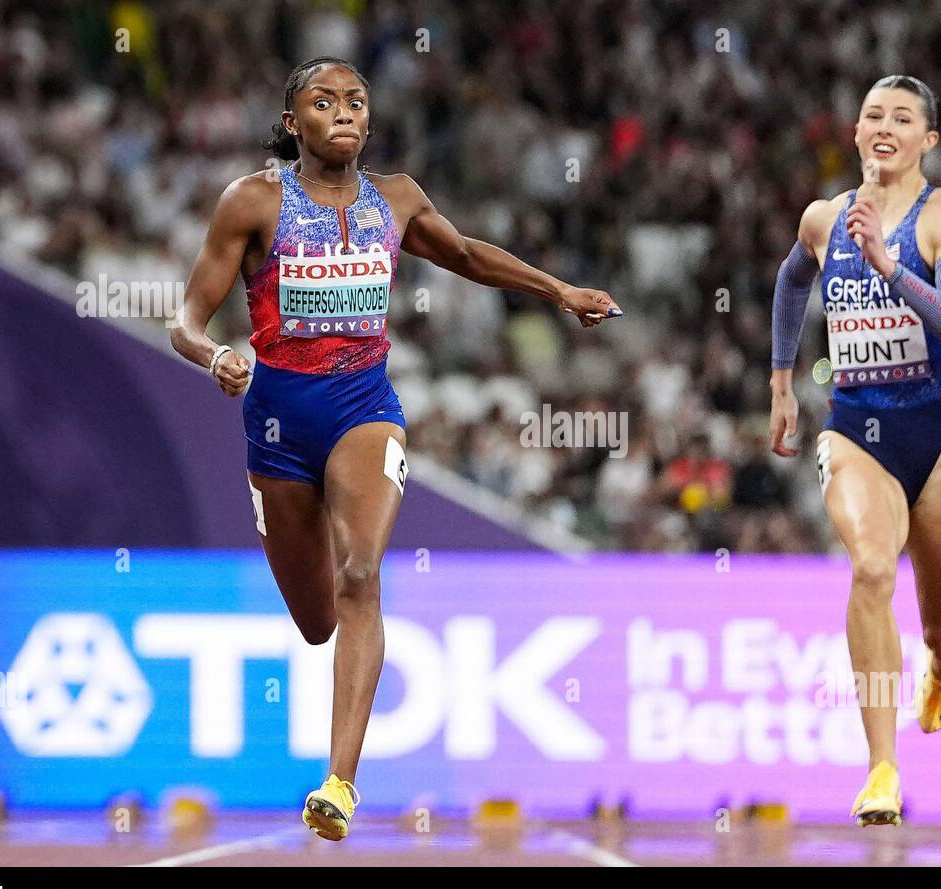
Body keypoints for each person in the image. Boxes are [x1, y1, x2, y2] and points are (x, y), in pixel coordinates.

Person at [170, 57, 621, 840]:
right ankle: (329, 688)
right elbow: (185, 320)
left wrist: (559, 291)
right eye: (324, 102)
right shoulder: (252, 202)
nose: (344, 112)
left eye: (356, 100)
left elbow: (468, 255)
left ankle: (339, 783)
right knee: (317, 621)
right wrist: (215, 357)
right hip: (276, 425)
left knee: (360, 574)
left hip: (364, 409)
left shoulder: (398, 198)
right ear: (292, 124)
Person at [768, 75, 941, 825]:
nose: (884, 126)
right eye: (872, 115)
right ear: (856, 133)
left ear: (928, 139)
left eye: (903, 118)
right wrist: (781, 381)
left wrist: (891, 268)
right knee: (870, 567)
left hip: (940, 434)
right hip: (856, 429)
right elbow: (791, 281)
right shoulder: (824, 219)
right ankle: (882, 770)